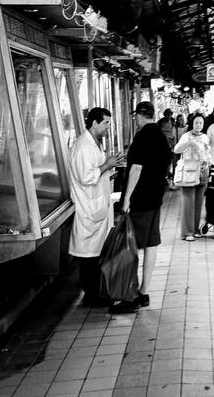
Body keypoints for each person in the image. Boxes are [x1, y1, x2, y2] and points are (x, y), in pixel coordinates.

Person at [110, 101, 172, 313]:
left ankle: (130, 296)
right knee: (151, 245)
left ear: (139, 115)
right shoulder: (162, 137)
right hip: (156, 198)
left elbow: (136, 168)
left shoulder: (142, 136)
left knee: (131, 246)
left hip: (142, 200)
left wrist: (126, 198)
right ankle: (143, 292)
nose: (134, 119)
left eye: (135, 116)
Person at [68, 107, 125, 307]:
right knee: (88, 258)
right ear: (94, 123)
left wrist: (110, 164)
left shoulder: (94, 144)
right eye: (106, 123)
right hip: (88, 208)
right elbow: (86, 177)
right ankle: (92, 296)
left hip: (97, 207)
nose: (108, 127)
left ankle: (97, 293)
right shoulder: (83, 146)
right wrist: (107, 165)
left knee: (95, 254)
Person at [174, 112, 211, 241]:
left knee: (198, 202)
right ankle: (187, 232)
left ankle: (195, 229)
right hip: (189, 172)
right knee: (188, 202)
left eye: (201, 122)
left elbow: (207, 153)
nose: (198, 125)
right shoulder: (186, 136)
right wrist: (189, 143)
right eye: (196, 122)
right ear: (192, 123)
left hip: (202, 172)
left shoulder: (205, 137)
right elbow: (176, 149)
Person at [158, 108, 176, 188]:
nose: (168, 116)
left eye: (170, 114)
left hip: (170, 144)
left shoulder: (172, 121)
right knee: (164, 161)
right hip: (162, 143)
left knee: (169, 161)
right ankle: (164, 176)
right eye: (167, 114)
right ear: (165, 114)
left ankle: (167, 175)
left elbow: (173, 132)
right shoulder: (161, 122)